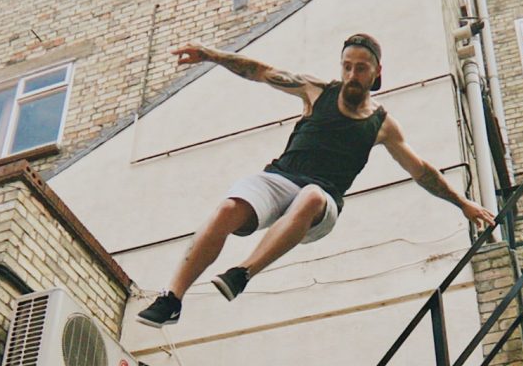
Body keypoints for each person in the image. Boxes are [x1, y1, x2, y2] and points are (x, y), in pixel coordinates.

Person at [136, 32, 496, 326]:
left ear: (376, 73)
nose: (353, 76)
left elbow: (422, 171)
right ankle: (172, 299)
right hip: (280, 178)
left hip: (322, 205)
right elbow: (259, 71)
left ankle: (242, 274)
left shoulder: (382, 125)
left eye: (362, 69)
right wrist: (211, 54)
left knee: (310, 195)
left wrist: (462, 203)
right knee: (228, 209)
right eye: (348, 67)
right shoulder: (315, 90)